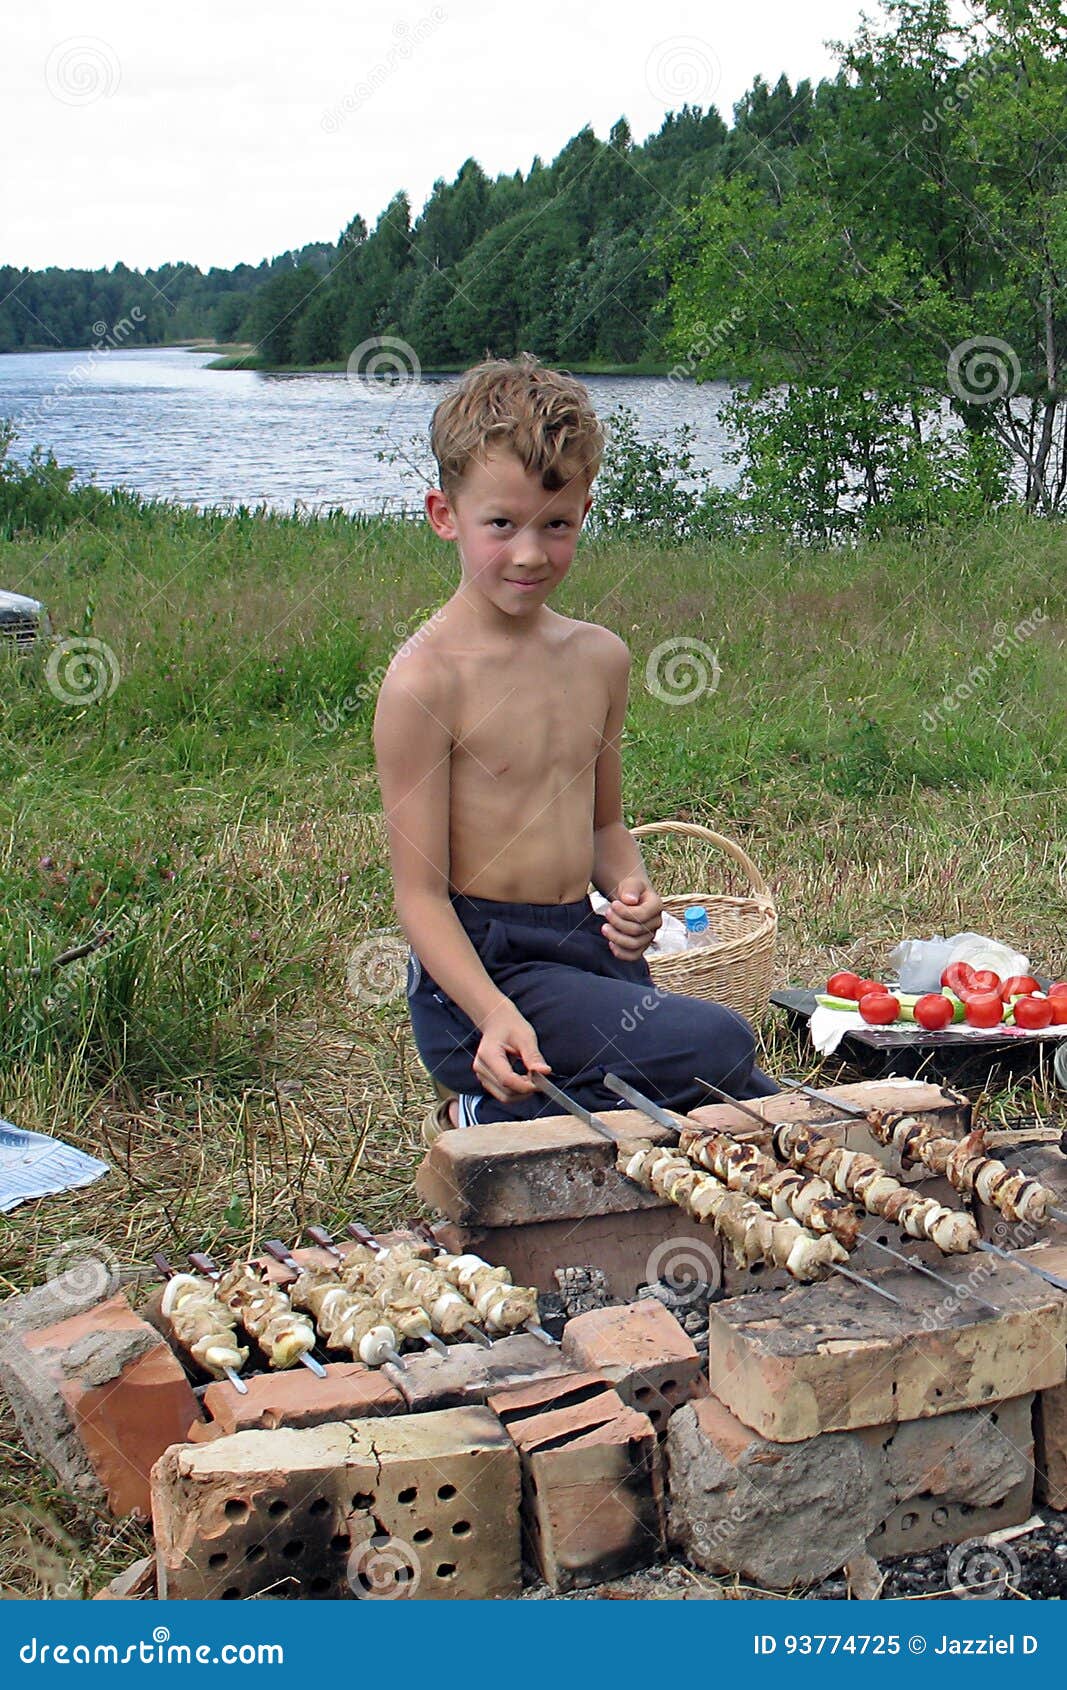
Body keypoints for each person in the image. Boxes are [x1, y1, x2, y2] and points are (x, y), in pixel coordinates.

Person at [373, 354, 777, 1140]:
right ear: (443, 513)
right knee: (720, 1044)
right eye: (501, 524)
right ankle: (482, 1103)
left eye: (555, 525)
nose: (529, 554)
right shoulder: (425, 681)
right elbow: (418, 897)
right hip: (486, 977)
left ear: (584, 512)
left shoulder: (599, 659)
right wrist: (490, 1012)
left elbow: (602, 828)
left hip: (584, 952)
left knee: (744, 1096)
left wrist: (632, 893)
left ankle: (548, 1115)